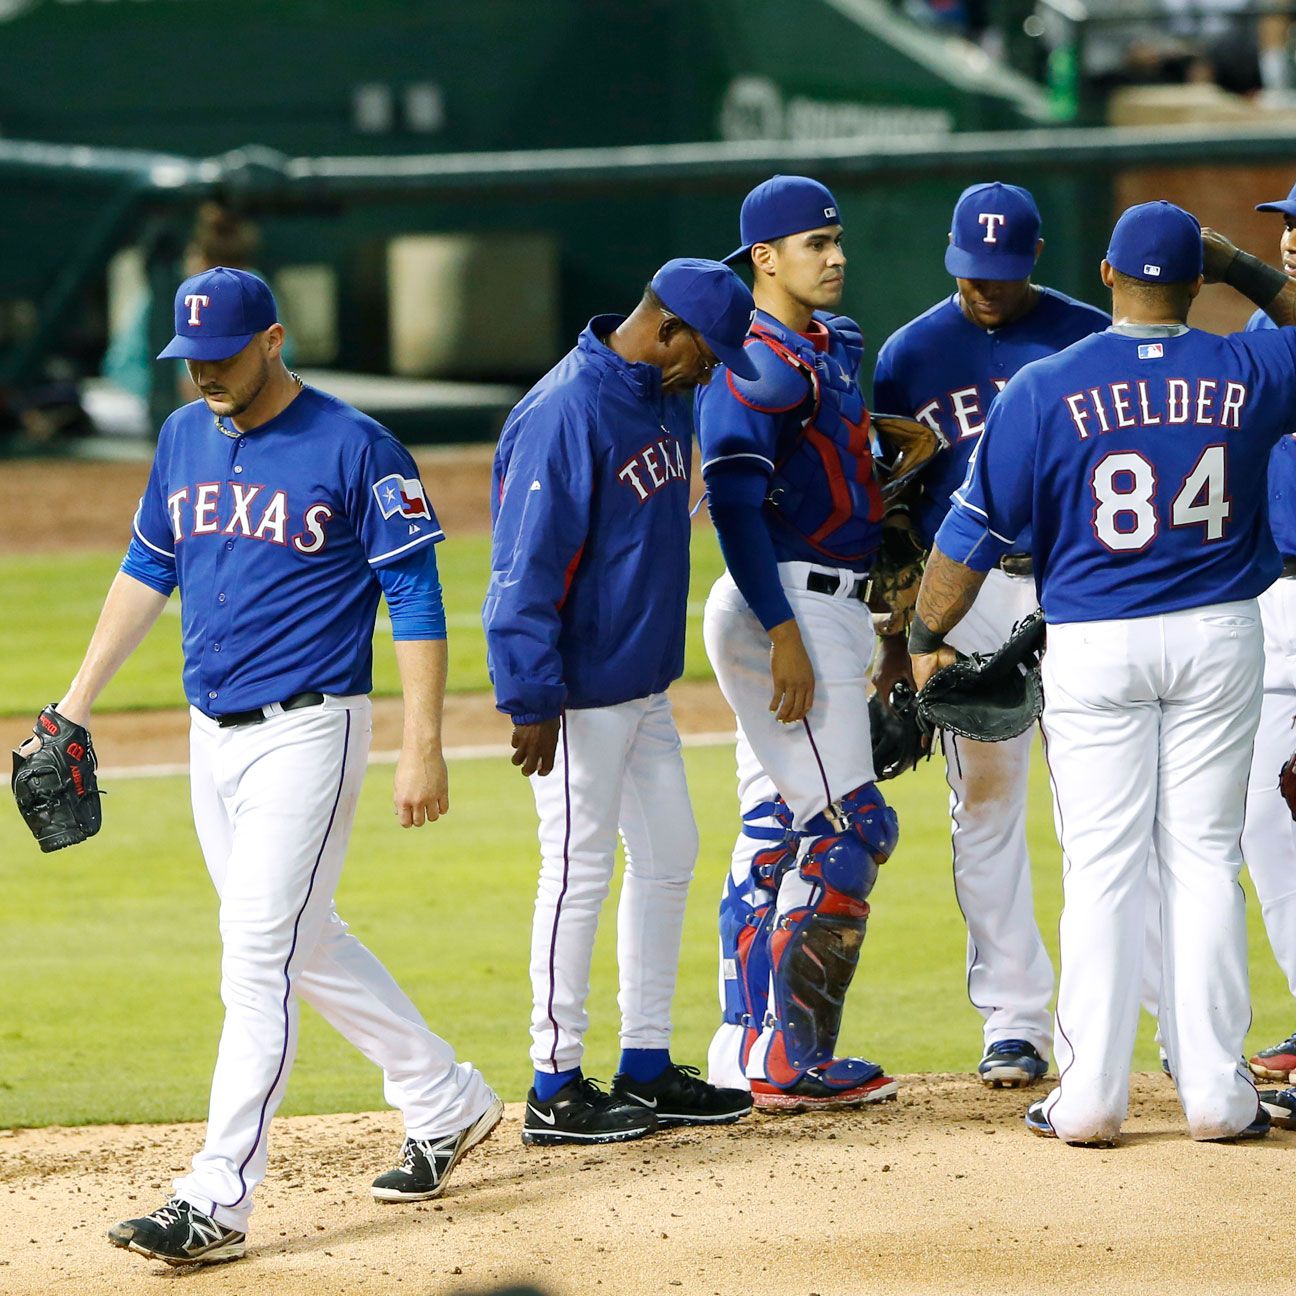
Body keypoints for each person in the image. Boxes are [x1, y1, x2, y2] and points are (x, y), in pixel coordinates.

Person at [36, 267, 499, 1267]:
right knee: (303, 940)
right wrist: (74, 700)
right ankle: (444, 1096)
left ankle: (216, 1196)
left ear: (274, 340)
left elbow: (414, 599)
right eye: (190, 356)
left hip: (310, 732)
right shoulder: (181, 437)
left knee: (256, 959)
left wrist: (424, 743)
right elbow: (148, 568)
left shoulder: (357, 447)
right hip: (212, 736)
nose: (203, 371)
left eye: (220, 354)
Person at [910, 200, 1296, 1145]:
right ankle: (1215, 1094)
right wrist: (1240, 267)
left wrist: (923, 636)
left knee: (1104, 865)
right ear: (1193, 283)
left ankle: (1088, 1098)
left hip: (1095, 640)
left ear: (1107, 278)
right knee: (1205, 857)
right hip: (1217, 633)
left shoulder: (1045, 386)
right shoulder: (1249, 364)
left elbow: (969, 536)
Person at [483, 258, 758, 1146]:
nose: (712, 373)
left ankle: (645, 1064)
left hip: (643, 690)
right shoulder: (566, 411)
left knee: (671, 855)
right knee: (575, 873)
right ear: (666, 329)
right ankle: (554, 1084)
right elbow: (523, 568)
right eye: (707, 354)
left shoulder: (662, 392)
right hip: (578, 699)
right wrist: (529, 693)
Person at [871, 182, 1109, 1088]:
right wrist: (900, 636)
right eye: (973, 273)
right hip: (963, 600)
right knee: (984, 807)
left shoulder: (1086, 333)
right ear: (950, 256)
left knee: (1107, 807)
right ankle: (1014, 1021)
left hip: (1078, 587)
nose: (987, 289)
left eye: (1002, 275)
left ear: (1036, 257)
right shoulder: (910, 353)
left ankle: (1155, 1017)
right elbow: (900, 512)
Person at [699, 175, 900, 1112]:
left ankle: (742, 1045)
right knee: (855, 828)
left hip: (821, 603)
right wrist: (783, 632)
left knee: (777, 824)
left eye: (838, 238)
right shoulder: (751, 363)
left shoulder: (833, 346)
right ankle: (793, 1059)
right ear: (764, 259)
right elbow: (733, 510)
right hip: (780, 603)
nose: (836, 255)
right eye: (814, 243)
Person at [1232, 179, 1296, 1114]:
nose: (1290, 241)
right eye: (1287, 225)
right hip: (1271, 601)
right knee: (1264, 816)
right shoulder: (1254, 348)